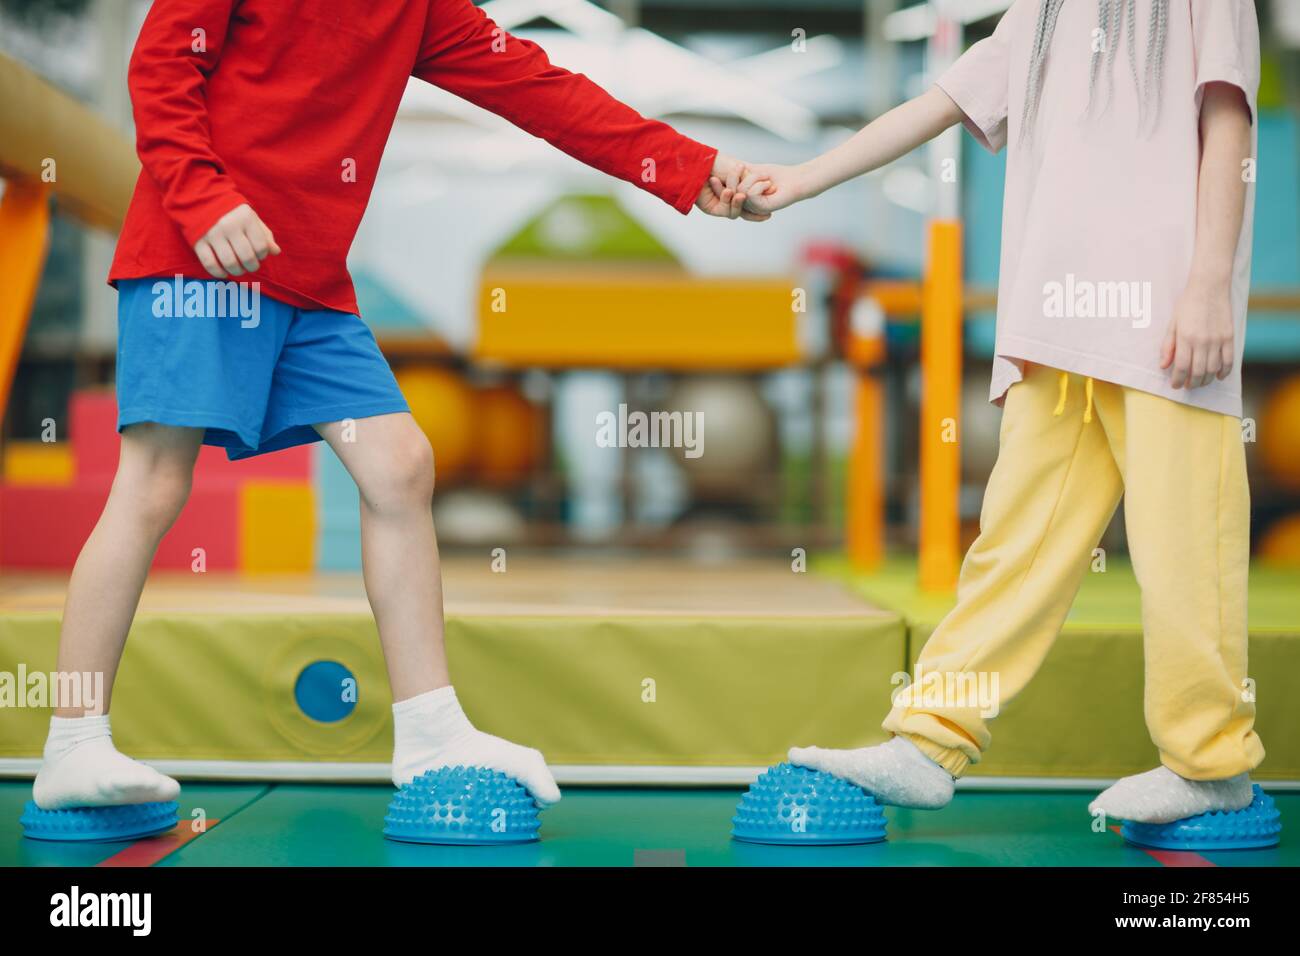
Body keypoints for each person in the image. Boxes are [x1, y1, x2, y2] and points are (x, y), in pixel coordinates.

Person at [33, 0, 769, 813]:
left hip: (308, 281)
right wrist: (202, 197)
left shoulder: (418, 8)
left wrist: (687, 166)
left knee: (400, 465)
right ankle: (73, 741)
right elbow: (162, 64)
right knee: (153, 484)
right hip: (200, 254)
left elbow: (541, 87)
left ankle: (430, 729)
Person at [737, 0, 1262, 824]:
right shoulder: (1043, 10)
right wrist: (801, 180)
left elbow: (1228, 120)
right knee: (1012, 542)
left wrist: (1208, 283)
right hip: (1055, 323)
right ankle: (930, 738)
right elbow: (938, 103)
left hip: (1166, 323)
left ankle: (1210, 763)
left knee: (1185, 548)